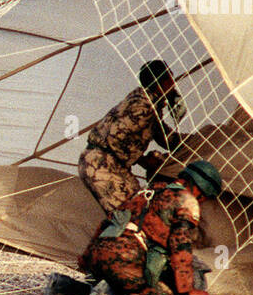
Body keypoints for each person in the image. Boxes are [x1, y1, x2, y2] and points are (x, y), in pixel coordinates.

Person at [46, 160, 223, 295]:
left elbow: (109, 220)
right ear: (201, 191)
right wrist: (188, 290)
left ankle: (65, 286)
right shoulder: (187, 200)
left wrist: (86, 259)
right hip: (126, 260)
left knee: (121, 285)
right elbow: (180, 246)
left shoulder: (149, 190)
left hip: (99, 255)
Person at [78, 59, 186, 216]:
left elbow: (162, 135)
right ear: (163, 81)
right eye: (170, 79)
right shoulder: (144, 106)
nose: (173, 84)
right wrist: (144, 161)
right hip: (102, 165)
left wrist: (191, 143)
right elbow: (117, 138)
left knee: (140, 206)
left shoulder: (147, 101)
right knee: (132, 214)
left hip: (107, 163)